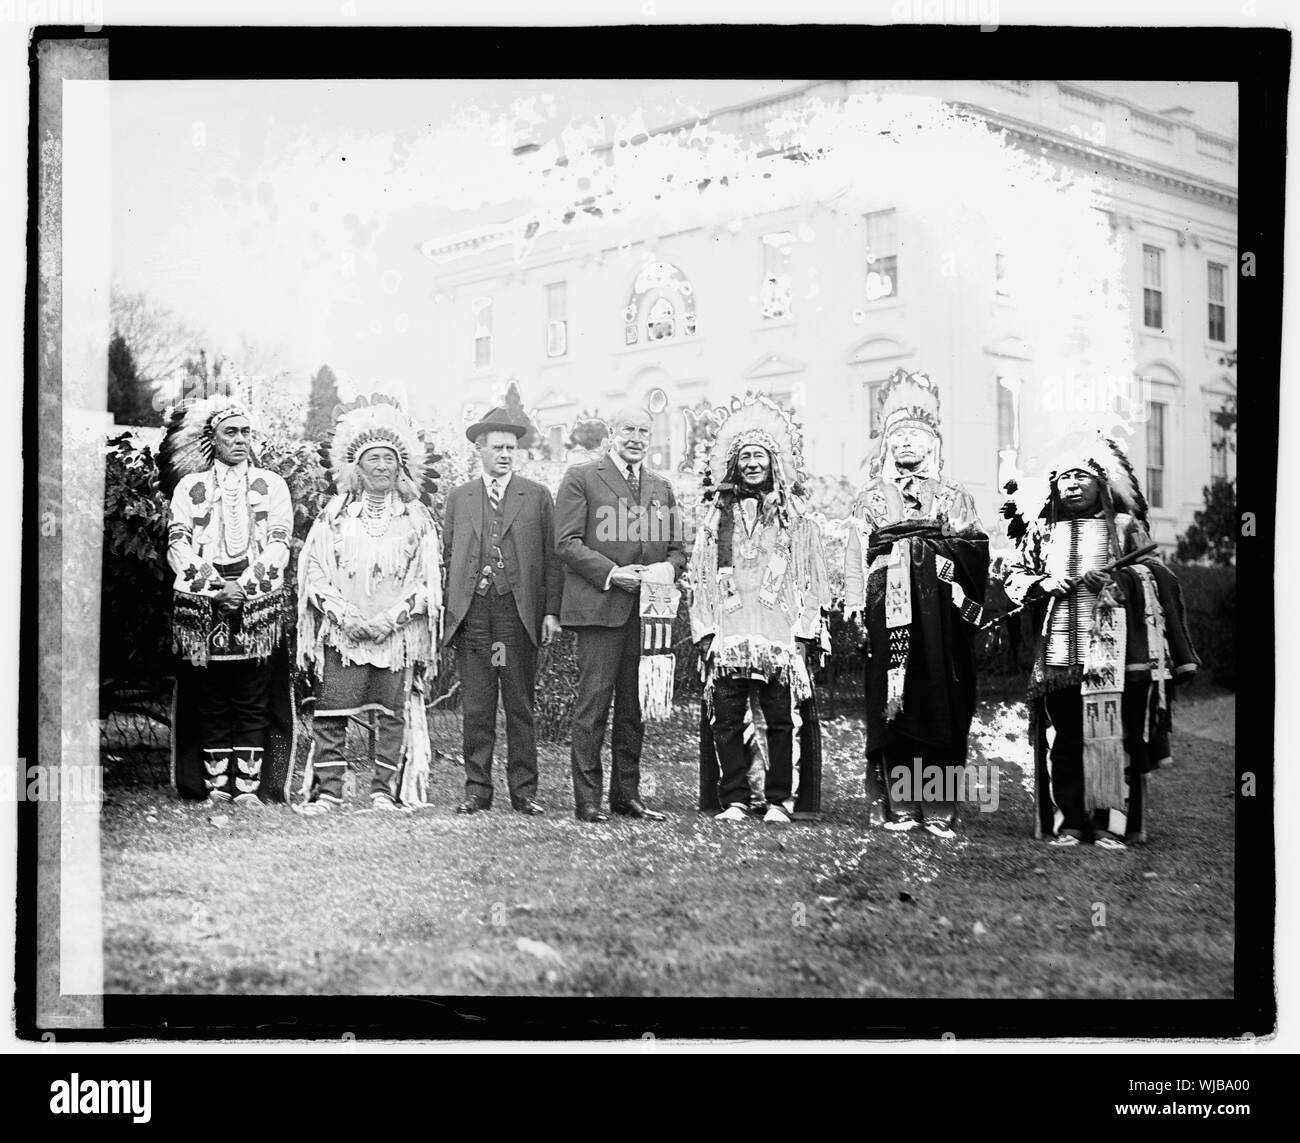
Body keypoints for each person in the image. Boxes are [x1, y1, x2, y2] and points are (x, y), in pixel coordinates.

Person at [1000, 435, 1199, 848]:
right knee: (1066, 739)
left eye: (1082, 477)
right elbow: (1013, 578)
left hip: (1115, 654)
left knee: (1112, 735)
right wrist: (1043, 583)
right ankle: (1071, 822)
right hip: (1059, 653)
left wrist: (1118, 578)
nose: (1072, 484)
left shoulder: (1126, 527)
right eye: (1065, 478)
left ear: (1102, 485)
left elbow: (1158, 578)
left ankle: (1113, 825)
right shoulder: (1041, 532)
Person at [844, 368, 989, 838]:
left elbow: (974, 550)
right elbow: (853, 557)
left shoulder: (953, 496)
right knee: (893, 704)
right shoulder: (870, 499)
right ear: (887, 445)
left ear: (933, 444)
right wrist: (854, 609)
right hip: (887, 613)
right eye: (898, 436)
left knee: (939, 703)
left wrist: (924, 551)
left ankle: (941, 806)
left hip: (940, 618)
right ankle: (900, 804)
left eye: (916, 436)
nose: (906, 443)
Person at [296, 395, 442, 815]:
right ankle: (328, 793)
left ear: (401, 468)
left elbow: (427, 582)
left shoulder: (417, 519)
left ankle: (384, 791)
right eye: (372, 459)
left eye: (389, 460)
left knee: (391, 715)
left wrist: (390, 619)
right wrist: (345, 616)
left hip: (394, 636)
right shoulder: (335, 516)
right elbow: (314, 573)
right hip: (345, 633)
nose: (381, 466)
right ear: (355, 468)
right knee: (331, 712)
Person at [688, 394, 830, 824]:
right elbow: (700, 574)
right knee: (727, 718)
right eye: (745, 456)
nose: (753, 463)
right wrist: (705, 630)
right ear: (734, 464)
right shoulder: (716, 514)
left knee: (781, 720)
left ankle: (779, 801)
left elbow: (811, 574)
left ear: (774, 462)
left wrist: (807, 630)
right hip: (730, 631)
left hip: (777, 632)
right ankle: (735, 798)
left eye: (760, 456)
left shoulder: (794, 514)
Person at [160, 393, 296, 806]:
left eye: (245, 432)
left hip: (256, 598)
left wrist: (246, 585)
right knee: (211, 694)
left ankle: (250, 788)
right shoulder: (191, 487)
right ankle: (216, 786)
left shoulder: (272, 485)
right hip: (204, 599)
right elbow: (177, 541)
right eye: (230, 432)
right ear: (210, 440)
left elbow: (279, 541)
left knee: (255, 694)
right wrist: (215, 585)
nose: (240, 440)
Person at [555, 406, 687, 823]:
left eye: (643, 431)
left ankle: (626, 795)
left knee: (634, 708)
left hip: (646, 614)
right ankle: (588, 799)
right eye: (628, 429)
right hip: (600, 607)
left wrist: (665, 570)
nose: (635, 437)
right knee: (593, 705)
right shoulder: (581, 477)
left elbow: (677, 548)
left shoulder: (660, 487)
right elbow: (567, 542)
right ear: (612, 433)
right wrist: (613, 574)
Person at [442, 406, 563, 815]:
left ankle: (524, 791)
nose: (506, 454)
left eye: (512, 448)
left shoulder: (537, 495)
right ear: (480, 449)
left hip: (514, 618)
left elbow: (552, 559)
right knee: (477, 705)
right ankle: (477, 790)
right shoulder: (460, 497)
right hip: (475, 617)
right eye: (498, 448)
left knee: (518, 703)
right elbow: (448, 555)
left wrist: (549, 612)